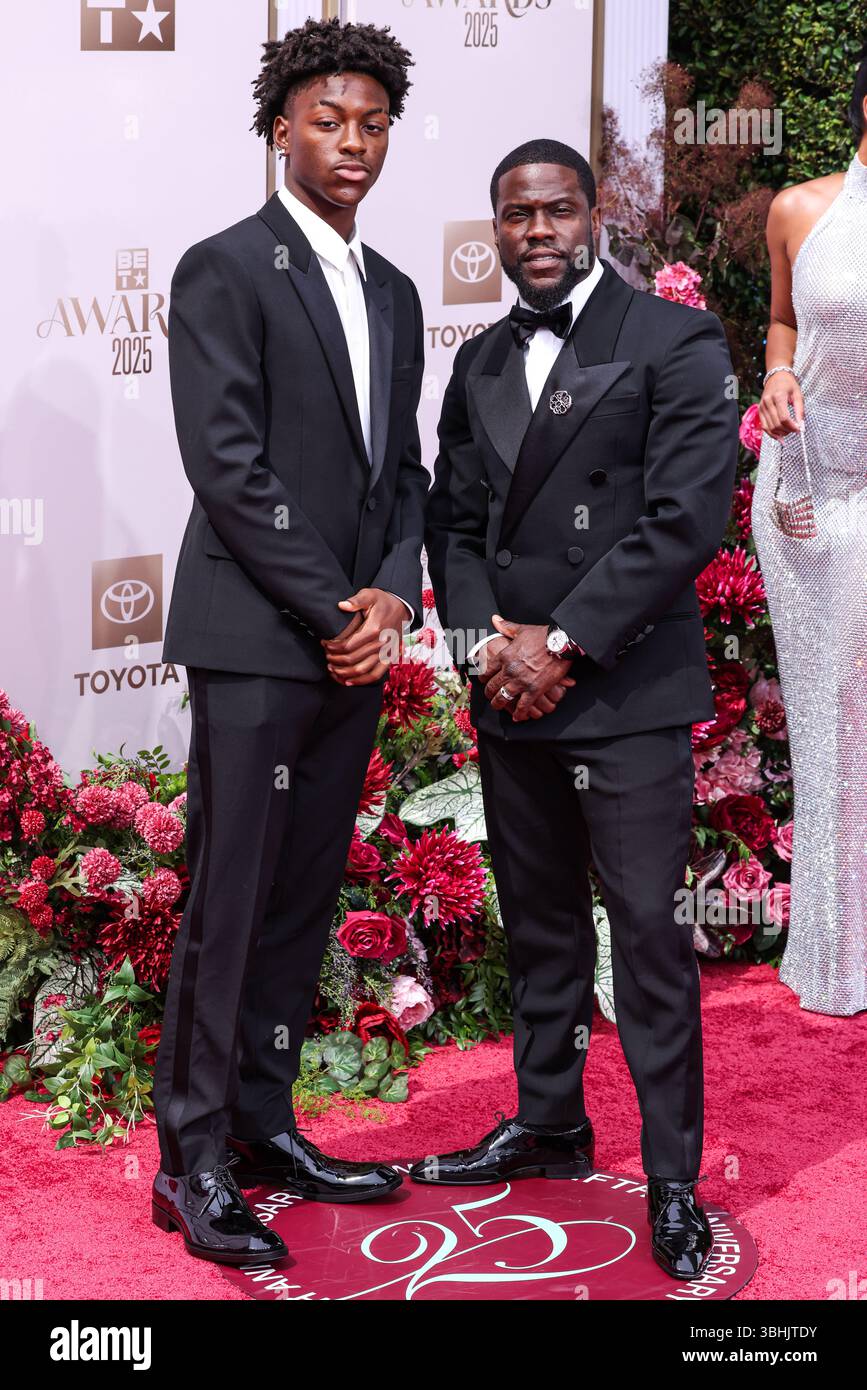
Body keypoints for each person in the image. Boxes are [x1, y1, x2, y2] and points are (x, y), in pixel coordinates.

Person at [421, 139, 739, 1280]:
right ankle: (551, 1123)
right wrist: (483, 652)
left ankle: (671, 1179)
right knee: (541, 926)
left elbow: (684, 519)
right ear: (496, 228)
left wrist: (559, 642)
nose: (538, 232)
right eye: (516, 216)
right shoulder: (478, 362)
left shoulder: (673, 338)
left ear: (595, 215)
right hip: (510, 693)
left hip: (624, 688)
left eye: (557, 211)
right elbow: (452, 522)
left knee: (648, 938)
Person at [151, 18, 427, 1266]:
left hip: (352, 642)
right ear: (281, 129)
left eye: (372, 122)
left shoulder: (399, 291)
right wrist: (336, 611)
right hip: (261, 638)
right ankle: (192, 1161)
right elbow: (230, 466)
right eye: (330, 119)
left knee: (303, 897)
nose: (353, 141)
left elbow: (403, 473)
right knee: (232, 896)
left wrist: (393, 598)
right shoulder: (225, 268)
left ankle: (265, 1126)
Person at [752, 47, 867, 1017]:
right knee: (830, 717)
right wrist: (775, 373)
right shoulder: (801, 208)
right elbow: (782, 324)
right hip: (809, 490)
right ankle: (833, 957)